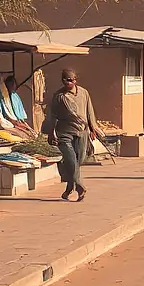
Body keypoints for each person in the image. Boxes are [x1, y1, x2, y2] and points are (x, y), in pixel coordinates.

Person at [43, 68, 99, 202]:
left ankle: (69, 188)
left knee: (78, 161)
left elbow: (89, 111)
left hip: (81, 131)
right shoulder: (59, 96)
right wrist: (51, 132)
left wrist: (93, 128)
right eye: (65, 80)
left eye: (70, 80)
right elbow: (52, 115)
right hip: (64, 133)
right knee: (70, 159)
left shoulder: (84, 93)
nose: (68, 82)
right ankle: (80, 187)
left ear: (75, 80)